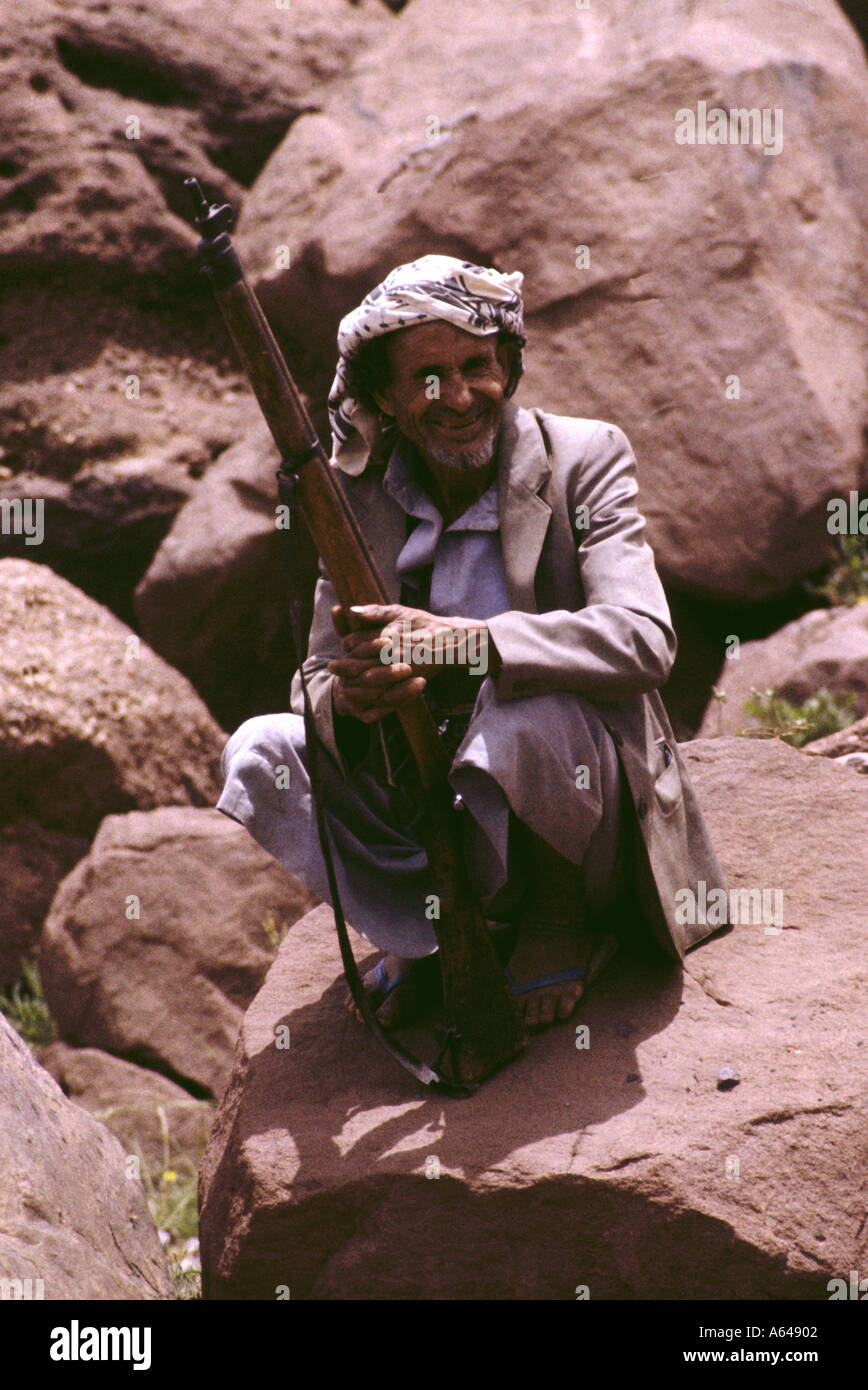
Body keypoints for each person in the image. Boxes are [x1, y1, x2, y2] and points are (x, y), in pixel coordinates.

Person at [217, 255, 727, 1031]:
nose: (457, 398)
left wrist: (470, 646)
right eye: (428, 378)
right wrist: (351, 698)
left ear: (509, 366)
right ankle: (425, 934)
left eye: (477, 367)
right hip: (430, 805)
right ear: (385, 395)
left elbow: (644, 640)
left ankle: (560, 921)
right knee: (262, 753)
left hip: (578, 817)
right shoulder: (354, 493)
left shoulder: (584, 459)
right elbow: (316, 675)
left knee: (521, 716)